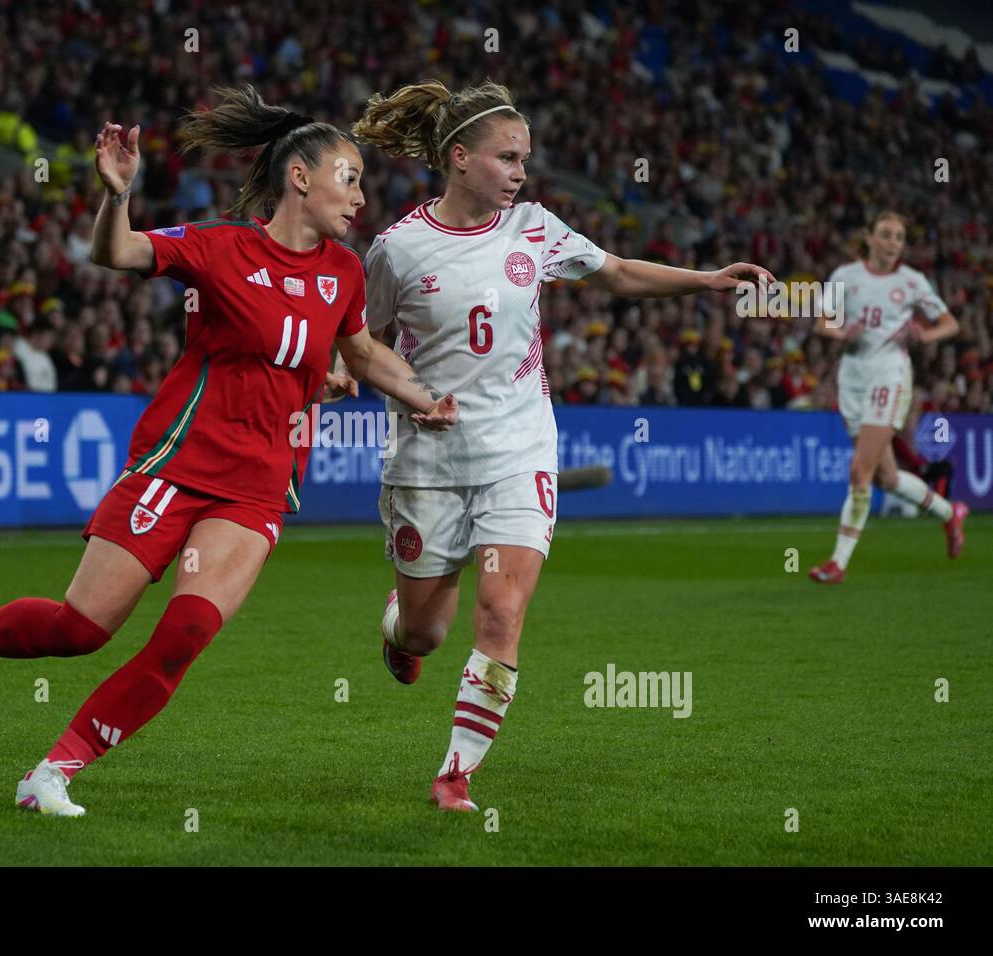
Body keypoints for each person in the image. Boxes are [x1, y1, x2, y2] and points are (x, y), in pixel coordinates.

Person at [0, 85, 458, 816]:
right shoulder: (219, 250)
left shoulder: (343, 272)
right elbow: (117, 252)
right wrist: (115, 195)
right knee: (80, 629)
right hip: (178, 462)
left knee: (184, 634)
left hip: (258, 487)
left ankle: (54, 771)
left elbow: (364, 353)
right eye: (349, 179)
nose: (359, 199)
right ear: (299, 177)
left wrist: (421, 398)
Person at [347, 78, 773, 811]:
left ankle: (455, 774)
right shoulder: (398, 249)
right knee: (425, 635)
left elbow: (617, 273)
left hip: (521, 449)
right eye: (508, 158)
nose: (521, 172)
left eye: (525, 159)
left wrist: (705, 280)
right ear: (459, 158)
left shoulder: (535, 228)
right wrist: (395, 391)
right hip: (428, 462)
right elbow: (359, 340)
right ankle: (400, 631)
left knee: (502, 613)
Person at [808, 211, 967, 583]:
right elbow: (821, 323)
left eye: (899, 237)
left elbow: (950, 323)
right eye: (886, 235)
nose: (893, 243)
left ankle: (838, 563)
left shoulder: (912, 282)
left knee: (859, 470)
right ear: (870, 237)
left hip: (890, 375)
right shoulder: (844, 276)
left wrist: (923, 337)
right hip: (852, 376)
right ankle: (949, 514)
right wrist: (842, 332)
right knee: (887, 478)